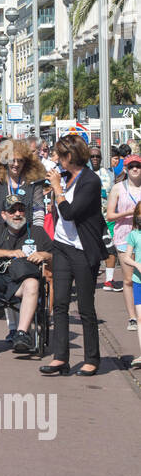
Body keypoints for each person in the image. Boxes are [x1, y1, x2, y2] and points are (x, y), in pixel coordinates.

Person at [40, 134, 109, 376]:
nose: (56, 159)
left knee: (85, 307)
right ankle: (61, 357)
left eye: (60, 154)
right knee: (59, 303)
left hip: (82, 249)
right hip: (61, 246)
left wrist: (58, 190)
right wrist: (55, 187)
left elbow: (69, 213)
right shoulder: (66, 177)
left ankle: (92, 358)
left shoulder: (91, 181)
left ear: (70, 156)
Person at [0, 198, 52, 354]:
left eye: (21, 210)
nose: (17, 214)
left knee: (33, 283)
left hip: (22, 281)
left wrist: (45, 255)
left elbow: (54, 255)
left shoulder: (37, 232)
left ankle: (21, 333)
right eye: (12, 211)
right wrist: (8, 253)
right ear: (3, 214)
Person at [106, 154, 141, 331]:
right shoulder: (118, 188)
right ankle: (132, 317)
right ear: (126, 169)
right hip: (124, 237)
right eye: (131, 166)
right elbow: (110, 215)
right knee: (128, 279)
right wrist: (128, 213)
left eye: (138, 166)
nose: (135, 169)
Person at [0, 138, 47, 230]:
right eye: (12, 160)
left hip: (27, 232)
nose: (16, 164)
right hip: (2, 231)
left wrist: (37, 233)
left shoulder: (34, 180)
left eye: (20, 160)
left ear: (26, 162)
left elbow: (38, 210)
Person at [88, 147, 118, 290]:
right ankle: (88, 281)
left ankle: (109, 280)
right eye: (92, 156)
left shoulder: (108, 173)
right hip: (87, 220)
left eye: (97, 157)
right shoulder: (82, 174)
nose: (94, 158)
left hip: (105, 218)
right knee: (89, 252)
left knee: (110, 249)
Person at [124, 201, 141, 368]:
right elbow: (127, 257)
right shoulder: (134, 234)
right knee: (140, 318)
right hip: (139, 281)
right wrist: (137, 265)